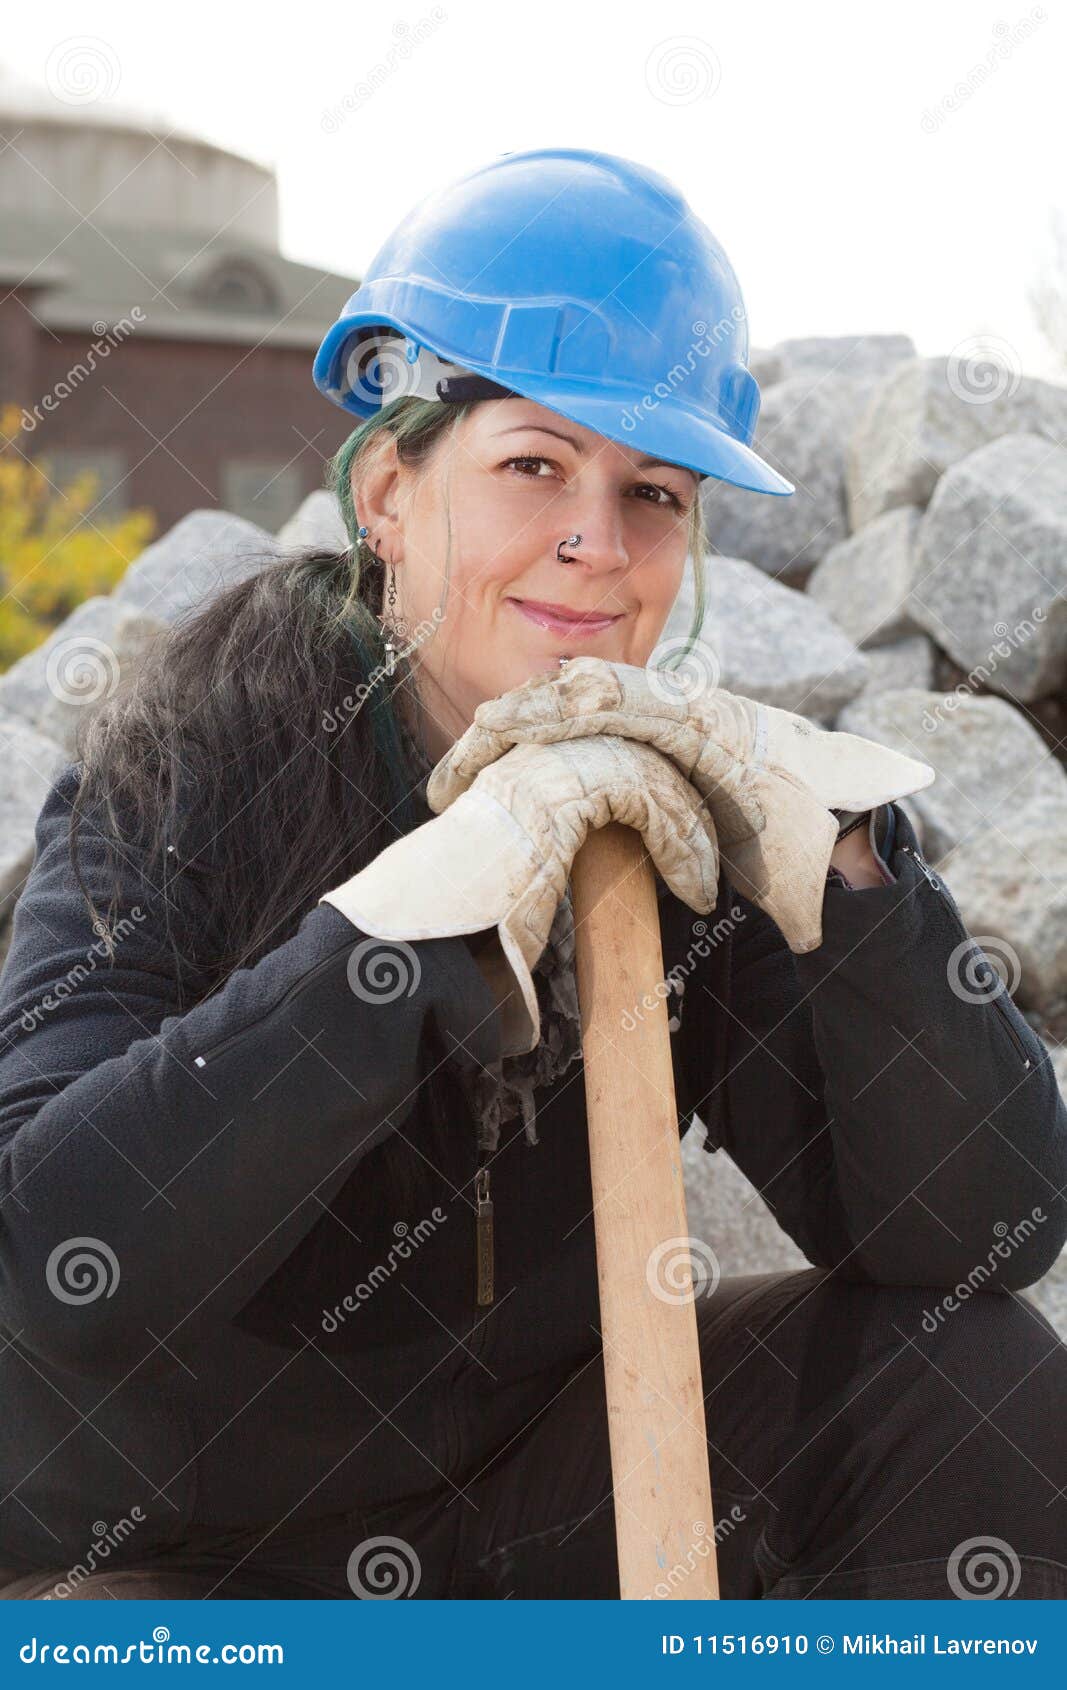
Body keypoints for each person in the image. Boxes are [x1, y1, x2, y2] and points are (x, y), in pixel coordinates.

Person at [0, 148, 1065, 1603]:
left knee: (973, 1380)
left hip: (532, 1511)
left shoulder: (677, 815)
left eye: (656, 495)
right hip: (178, 1568)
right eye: (533, 466)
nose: (598, 545)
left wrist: (859, 886)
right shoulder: (188, 761)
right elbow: (52, 1265)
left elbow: (987, 1224)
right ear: (389, 487)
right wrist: (411, 932)